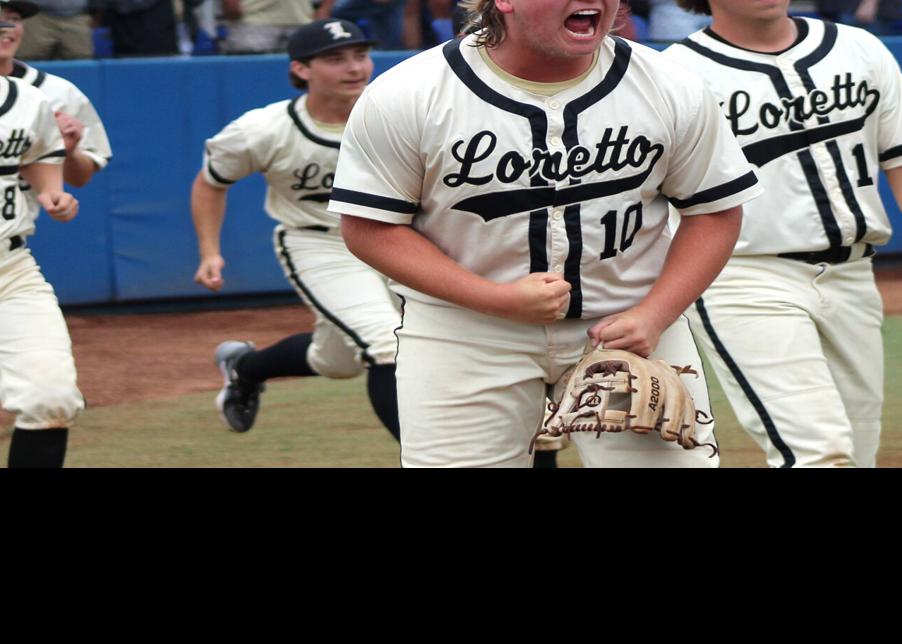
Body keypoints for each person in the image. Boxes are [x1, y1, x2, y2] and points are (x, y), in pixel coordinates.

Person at [328, 0, 760, 468]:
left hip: (630, 332)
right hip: (466, 331)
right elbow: (371, 228)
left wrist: (656, 315)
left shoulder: (667, 85)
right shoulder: (410, 93)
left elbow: (714, 212)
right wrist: (493, 298)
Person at [664, 0, 902, 468]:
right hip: (742, 279)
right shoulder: (676, 75)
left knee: (858, 451)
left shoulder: (856, 47)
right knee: (815, 451)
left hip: (853, 275)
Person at [192, 18, 402, 445]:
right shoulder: (263, 129)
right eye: (335, 58)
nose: (354, 67)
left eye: (360, 54)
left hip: (397, 240)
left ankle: (245, 368)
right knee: (387, 344)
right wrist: (209, 251)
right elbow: (211, 182)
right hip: (320, 242)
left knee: (337, 360)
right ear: (300, 69)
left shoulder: (402, 113)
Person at [0, 0, 112, 469]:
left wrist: (52, 192)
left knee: (51, 398)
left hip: (8, 271)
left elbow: (41, 155)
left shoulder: (28, 99)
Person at [218, 0, 311, 54]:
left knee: (303, 76)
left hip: (301, 20)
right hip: (252, 21)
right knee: (247, 73)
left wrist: (321, 9)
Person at [14, 0, 91, 58]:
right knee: (29, 56)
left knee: (81, 57)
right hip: (38, 15)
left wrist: (95, 11)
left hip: (78, 16)